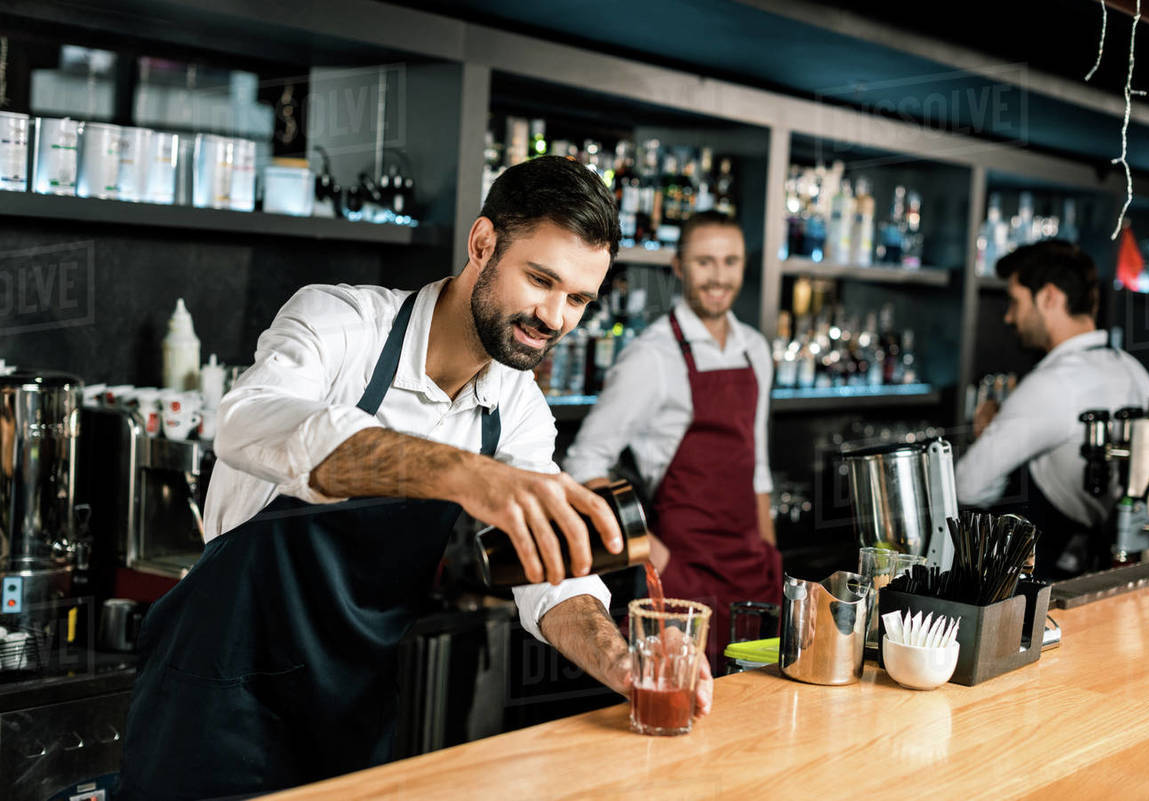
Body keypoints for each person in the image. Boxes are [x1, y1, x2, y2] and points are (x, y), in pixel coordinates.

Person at [118, 157, 712, 801]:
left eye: (577, 299)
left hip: (351, 713)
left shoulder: (517, 409)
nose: (555, 317)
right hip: (215, 698)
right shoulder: (340, 325)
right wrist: (465, 475)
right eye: (541, 280)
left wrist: (619, 659)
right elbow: (246, 422)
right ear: (482, 243)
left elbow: (555, 581)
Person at [563, 210, 780, 669]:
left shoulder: (755, 348)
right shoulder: (651, 356)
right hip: (681, 574)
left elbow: (757, 464)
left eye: (730, 262)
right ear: (679, 267)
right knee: (676, 705)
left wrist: (769, 553)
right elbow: (584, 462)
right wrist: (652, 554)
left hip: (751, 572)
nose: (718, 277)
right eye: (704, 262)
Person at [956, 240, 1149, 577]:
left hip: (1071, 577)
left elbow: (968, 486)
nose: (1009, 317)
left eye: (1015, 302)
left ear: (1049, 297)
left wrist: (989, 430)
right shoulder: (1133, 370)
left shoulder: (1053, 383)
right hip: (1136, 570)